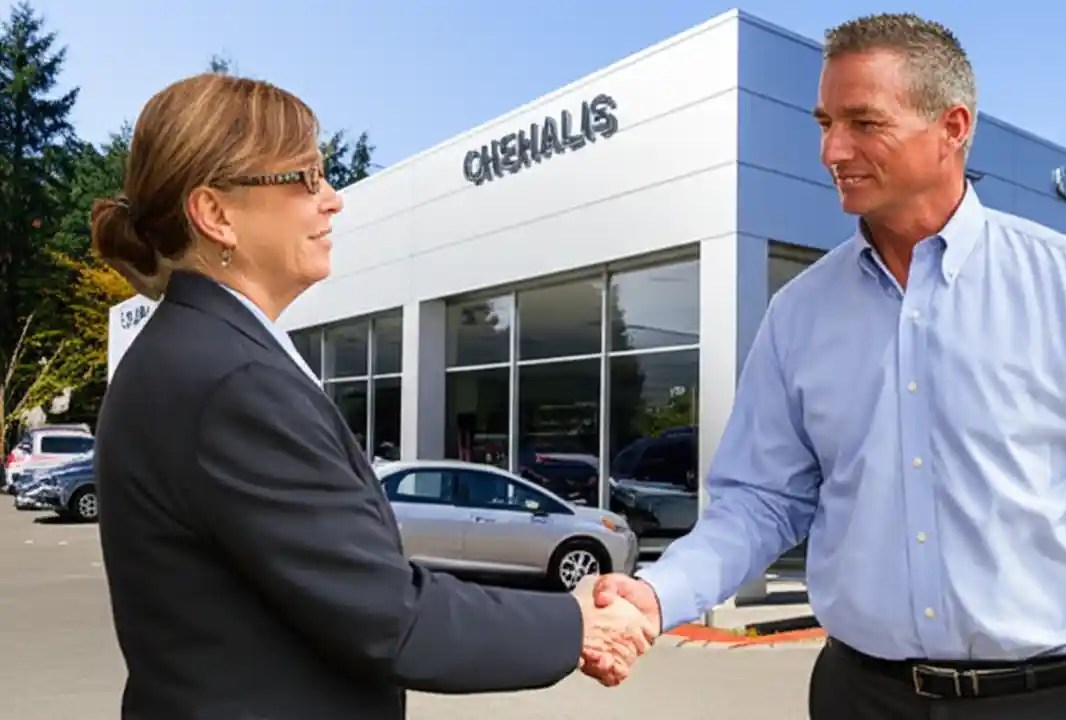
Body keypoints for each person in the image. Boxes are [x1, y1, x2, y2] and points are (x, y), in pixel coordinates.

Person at [593, 12, 1066, 720]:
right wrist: (658, 594)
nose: (832, 149)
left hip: (1048, 700)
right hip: (859, 698)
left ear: (953, 127)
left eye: (864, 122)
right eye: (825, 123)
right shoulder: (799, 313)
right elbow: (759, 502)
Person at [91, 72, 655, 720]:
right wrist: (577, 625)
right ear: (216, 214)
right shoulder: (232, 380)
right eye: (305, 178)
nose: (333, 200)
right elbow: (389, 616)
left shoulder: (195, 354)